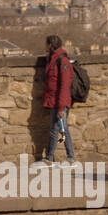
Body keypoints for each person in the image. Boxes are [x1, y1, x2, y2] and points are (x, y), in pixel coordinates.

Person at [39, 34, 76, 163]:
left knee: (57, 130)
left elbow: (64, 85)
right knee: (61, 129)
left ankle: (52, 157)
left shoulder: (62, 61)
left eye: (46, 44)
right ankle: (69, 156)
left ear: (50, 45)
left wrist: (61, 107)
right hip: (54, 101)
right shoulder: (53, 59)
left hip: (60, 102)